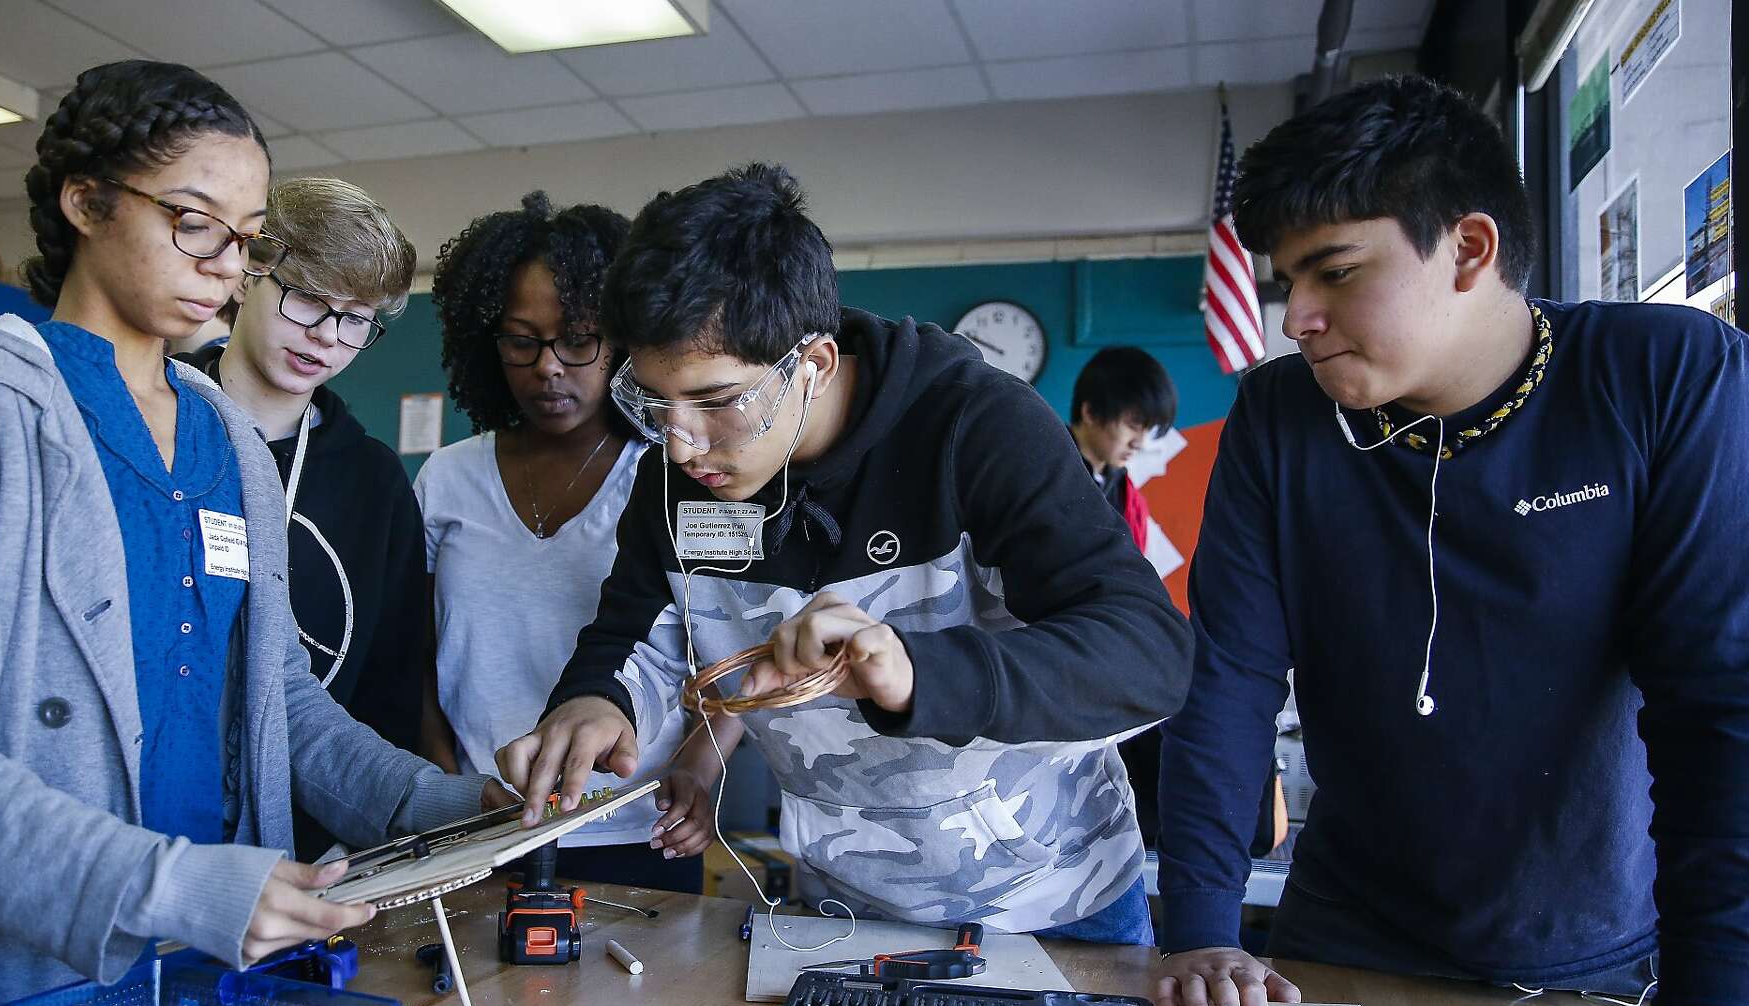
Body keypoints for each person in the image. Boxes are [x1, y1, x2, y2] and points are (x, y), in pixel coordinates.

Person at [1154, 74, 1749, 1006]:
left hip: (1603, 965)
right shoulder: (1282, 421)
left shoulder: (1665, 374)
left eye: (1333, 271)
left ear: (1469, 249)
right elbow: (1228, 681)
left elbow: (1719, 700)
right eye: (1286, 280)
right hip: (1338, 943)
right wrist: (1198, 930)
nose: (1294, 316)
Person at [0, 60, 478, 1006]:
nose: (225, 262)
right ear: (87, 202)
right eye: (192, 220)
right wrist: (168, 881)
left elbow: (277, 700)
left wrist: (444, 809)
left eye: (248, 240)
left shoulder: (227, 442)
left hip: (195, 966)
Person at [497, 163, 1193, 939]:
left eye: (717, 400)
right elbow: (634, 629)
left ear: (815, 363)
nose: (679, 440)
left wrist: (917, 673)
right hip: (845, 909)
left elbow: (1147, 655)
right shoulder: (679, 472)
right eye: (654, 400)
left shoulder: (978, 429)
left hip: (1053, 899)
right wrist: (599, 698)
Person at [419, 192, 737, 890]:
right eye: (521, 341)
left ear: (623, 341)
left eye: (578, 339)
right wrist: (443, 784)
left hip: (641, 824)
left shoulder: (678, 477)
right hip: (480, 830)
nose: (549, 367)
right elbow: (417, 655)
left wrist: (700, 767)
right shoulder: (446, 480)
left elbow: (733, 641)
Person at [175, 176, 428, 861]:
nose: (327, 337)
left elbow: (392, 681)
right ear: (246, 277)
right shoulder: (159, 428)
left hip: (315, 842)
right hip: (152, 819)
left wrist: (359, 837)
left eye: (356, 319)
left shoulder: (374, 480)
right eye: (308, 301)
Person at [1069, 344, 1176, 556]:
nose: (1140, 443)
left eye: (1147, 429)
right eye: (1133, 426)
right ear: (1090, 412)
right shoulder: (1045, 471)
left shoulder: (1127, 498)